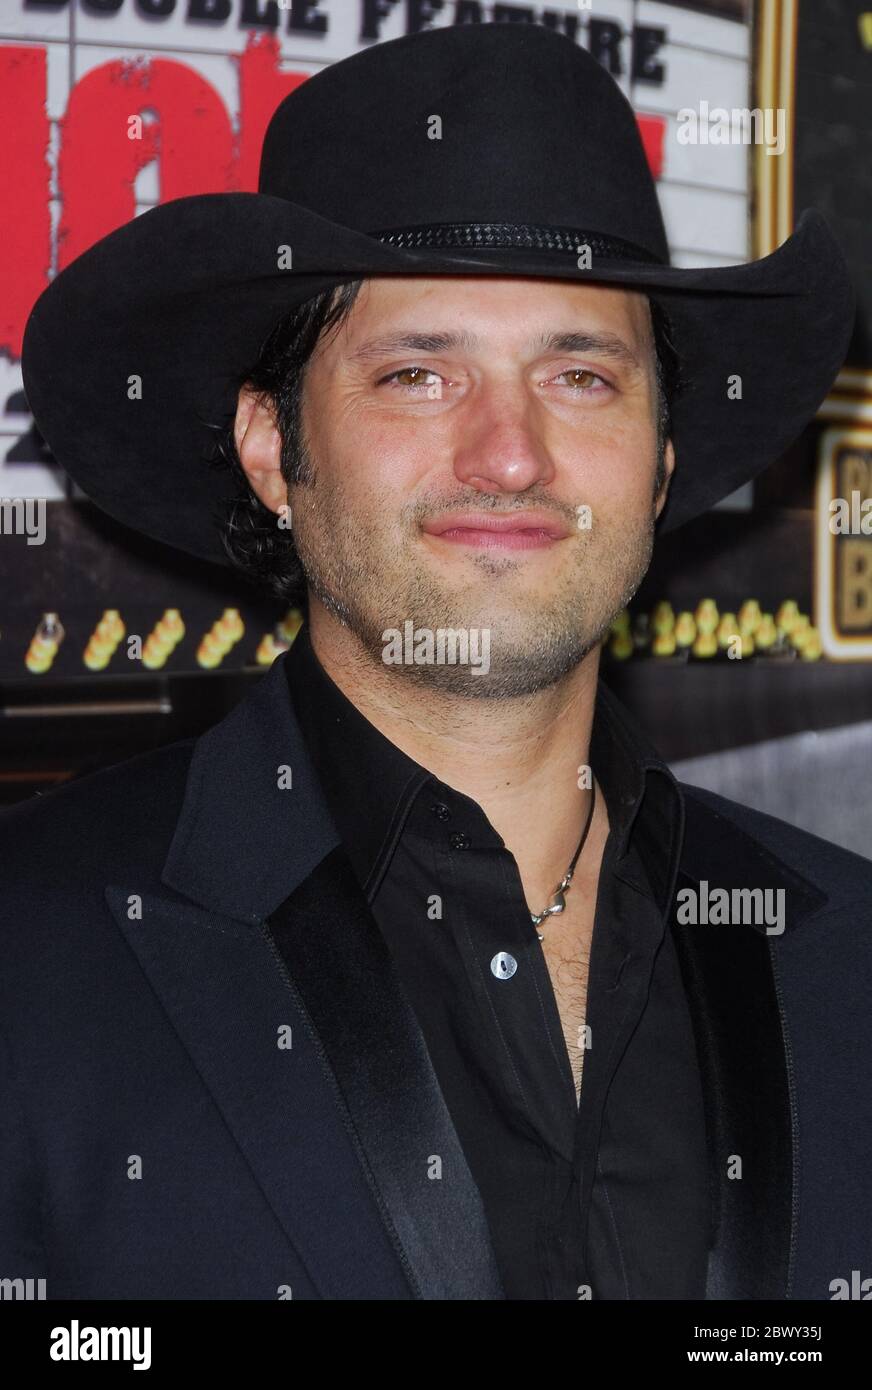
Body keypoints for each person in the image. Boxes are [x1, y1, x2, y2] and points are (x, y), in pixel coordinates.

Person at [4, 22, 869, 1301]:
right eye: (416, 374)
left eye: (579, 376)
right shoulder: (31, 951)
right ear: (270, 446)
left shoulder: (846, 947)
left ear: (661, 460)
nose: (508, 456)